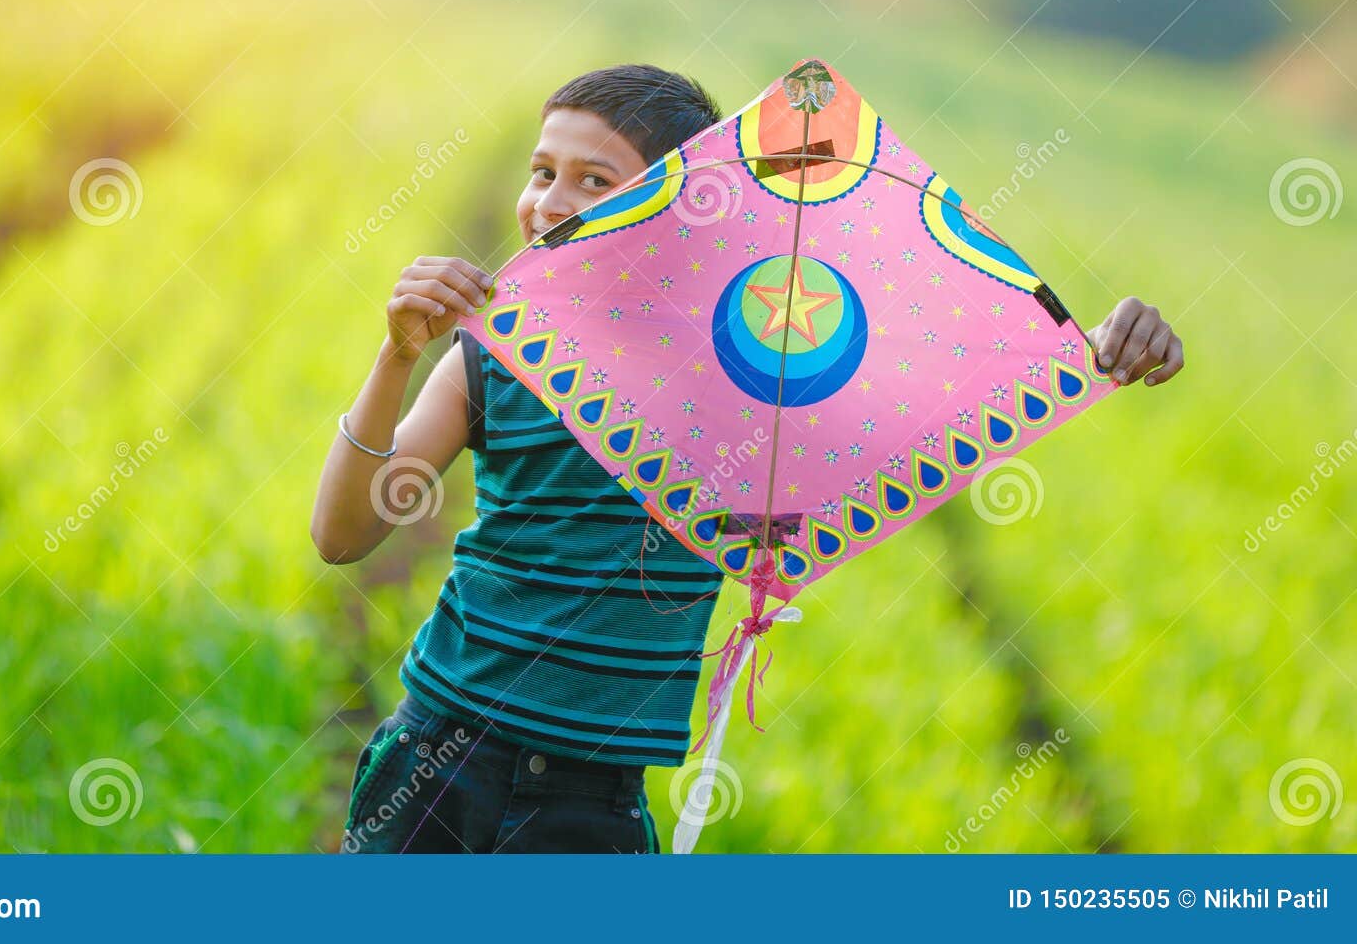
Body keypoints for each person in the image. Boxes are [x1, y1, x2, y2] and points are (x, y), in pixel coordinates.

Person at [310, 63, 1184, 854]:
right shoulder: (495, 353)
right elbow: (343, 535)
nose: (549, 201)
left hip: (589, 806)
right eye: (543, 172)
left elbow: (939, 393)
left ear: (668, 210)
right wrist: (397, 355)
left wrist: (1094, 350)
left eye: (594, 180)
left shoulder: (751, 388)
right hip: (435, 757)